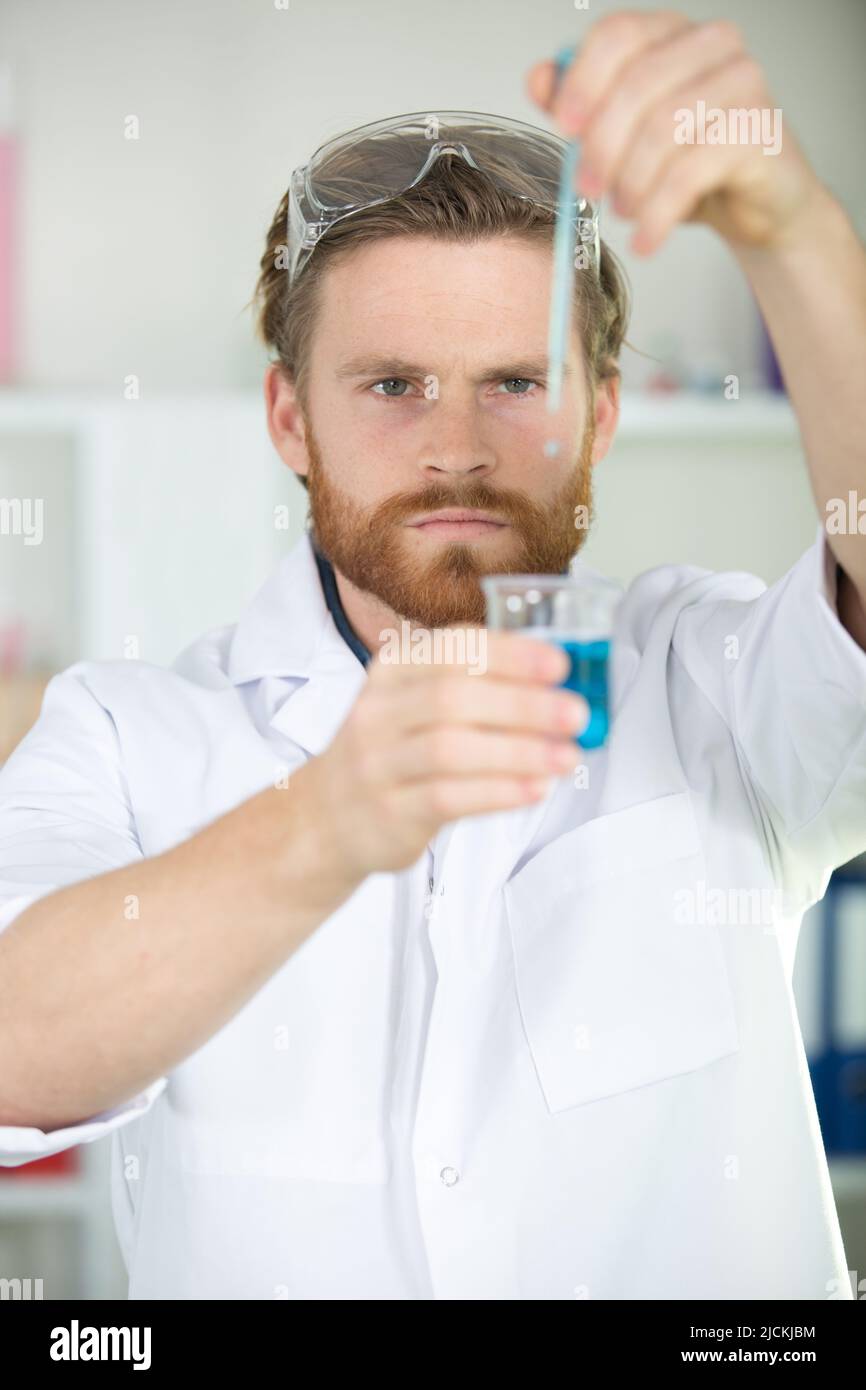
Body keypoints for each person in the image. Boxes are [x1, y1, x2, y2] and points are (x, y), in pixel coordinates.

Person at [1, 9, 864, 1299]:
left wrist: (795, 234)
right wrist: (331, 820)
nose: (457, 445)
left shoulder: (707, 680)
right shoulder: (127, 736)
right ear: (290, 416)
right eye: (393, 384)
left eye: (516, 382)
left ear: (603, 415)